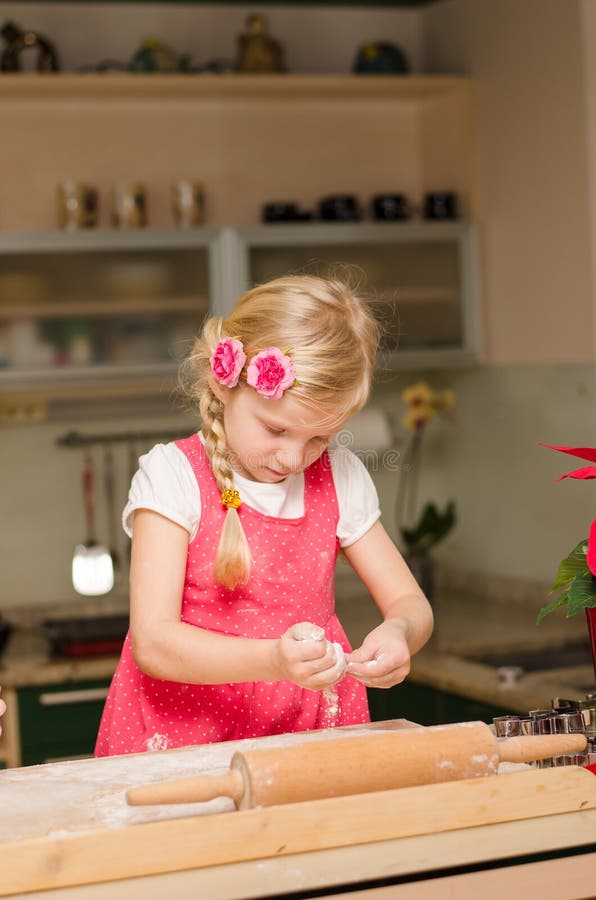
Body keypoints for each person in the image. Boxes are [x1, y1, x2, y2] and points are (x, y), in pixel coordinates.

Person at [95, 274, 433, 757]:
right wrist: (274, 660)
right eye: (276, 429)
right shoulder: (173, 477)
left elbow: (408, 601)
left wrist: (400, 632)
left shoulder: (341, 476)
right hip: (185, 739)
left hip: (304, 732)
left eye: (319, 438)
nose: (294, 459)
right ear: (223, 381)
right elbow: (154, 642)